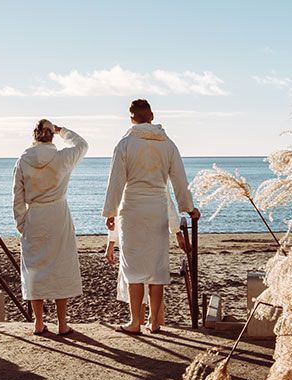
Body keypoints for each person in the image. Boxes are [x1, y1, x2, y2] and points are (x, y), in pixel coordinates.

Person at [102, 98, 200, 335]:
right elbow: (179, 180)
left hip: (132, 208)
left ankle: (135, 322)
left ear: (131, 118)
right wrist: (188, 207)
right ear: (152, 116)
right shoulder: (168, 145)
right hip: (157, 207)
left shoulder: (125, 144)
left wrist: (110, 212)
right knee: (157, 267)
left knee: (133, 266)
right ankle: (154, 322)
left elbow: (116, 181)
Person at [13, 119, 88, 336]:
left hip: (35, 215)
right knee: (59, 266)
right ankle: (62, 324)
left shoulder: (23, 161)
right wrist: (62, 131)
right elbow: (82, 145)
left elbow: (17, 197)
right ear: (51, 135)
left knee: (35, 267)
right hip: (58, 215)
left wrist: (21, 222)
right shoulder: (63, 158)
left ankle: (38, 322)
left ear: (34, 135)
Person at [105, 196, 187, 328]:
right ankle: (153, 322)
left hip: (134, 229)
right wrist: (177, 232)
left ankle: (138, 322)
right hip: (151, 227)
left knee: (137, 278)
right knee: (155, 276)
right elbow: (167, 201)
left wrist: (111, 241)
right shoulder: (158, 177)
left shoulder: (129, 178)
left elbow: (117, 201)